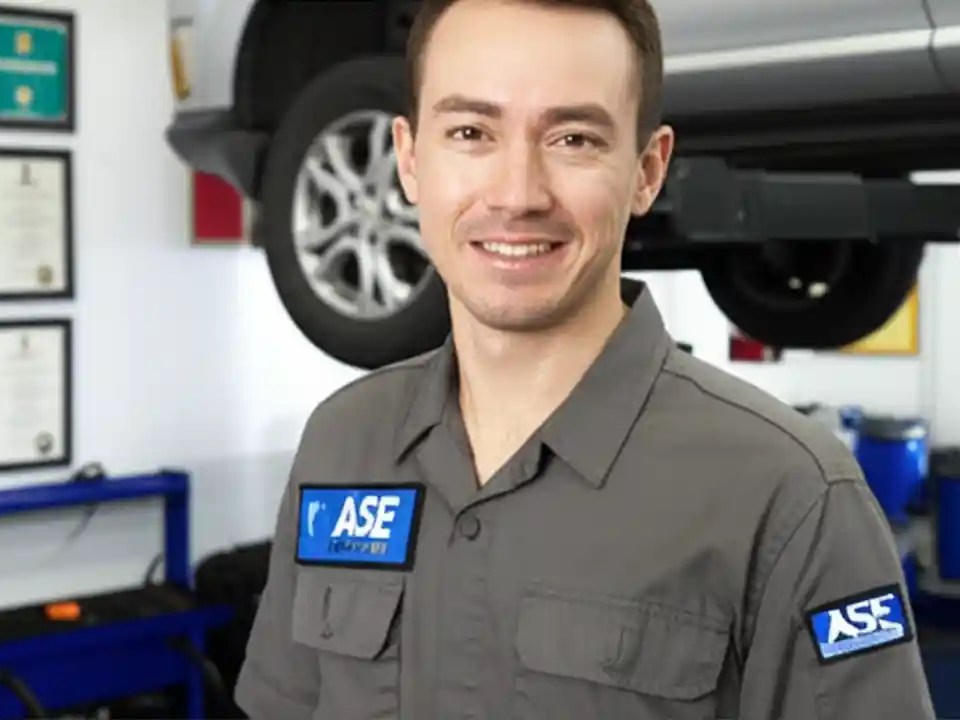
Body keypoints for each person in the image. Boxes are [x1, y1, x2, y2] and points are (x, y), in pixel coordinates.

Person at [234, 0, 938, 717]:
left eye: (572, 138)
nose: (516, 195)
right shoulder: (343, 445)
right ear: (410, 159)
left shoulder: (792, 497)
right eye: (472, 132)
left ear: (647, 171)